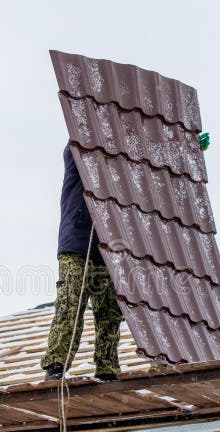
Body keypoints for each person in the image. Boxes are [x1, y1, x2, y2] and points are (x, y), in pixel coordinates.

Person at [40, 144, 124, 382]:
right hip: (77, 241)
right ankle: (56, 363)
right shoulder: (78, 148)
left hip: (109, 244)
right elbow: (76, 144)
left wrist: (182, 148)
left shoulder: (118, 159)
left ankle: (107, 367)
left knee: (110, 310)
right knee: (71, 299)